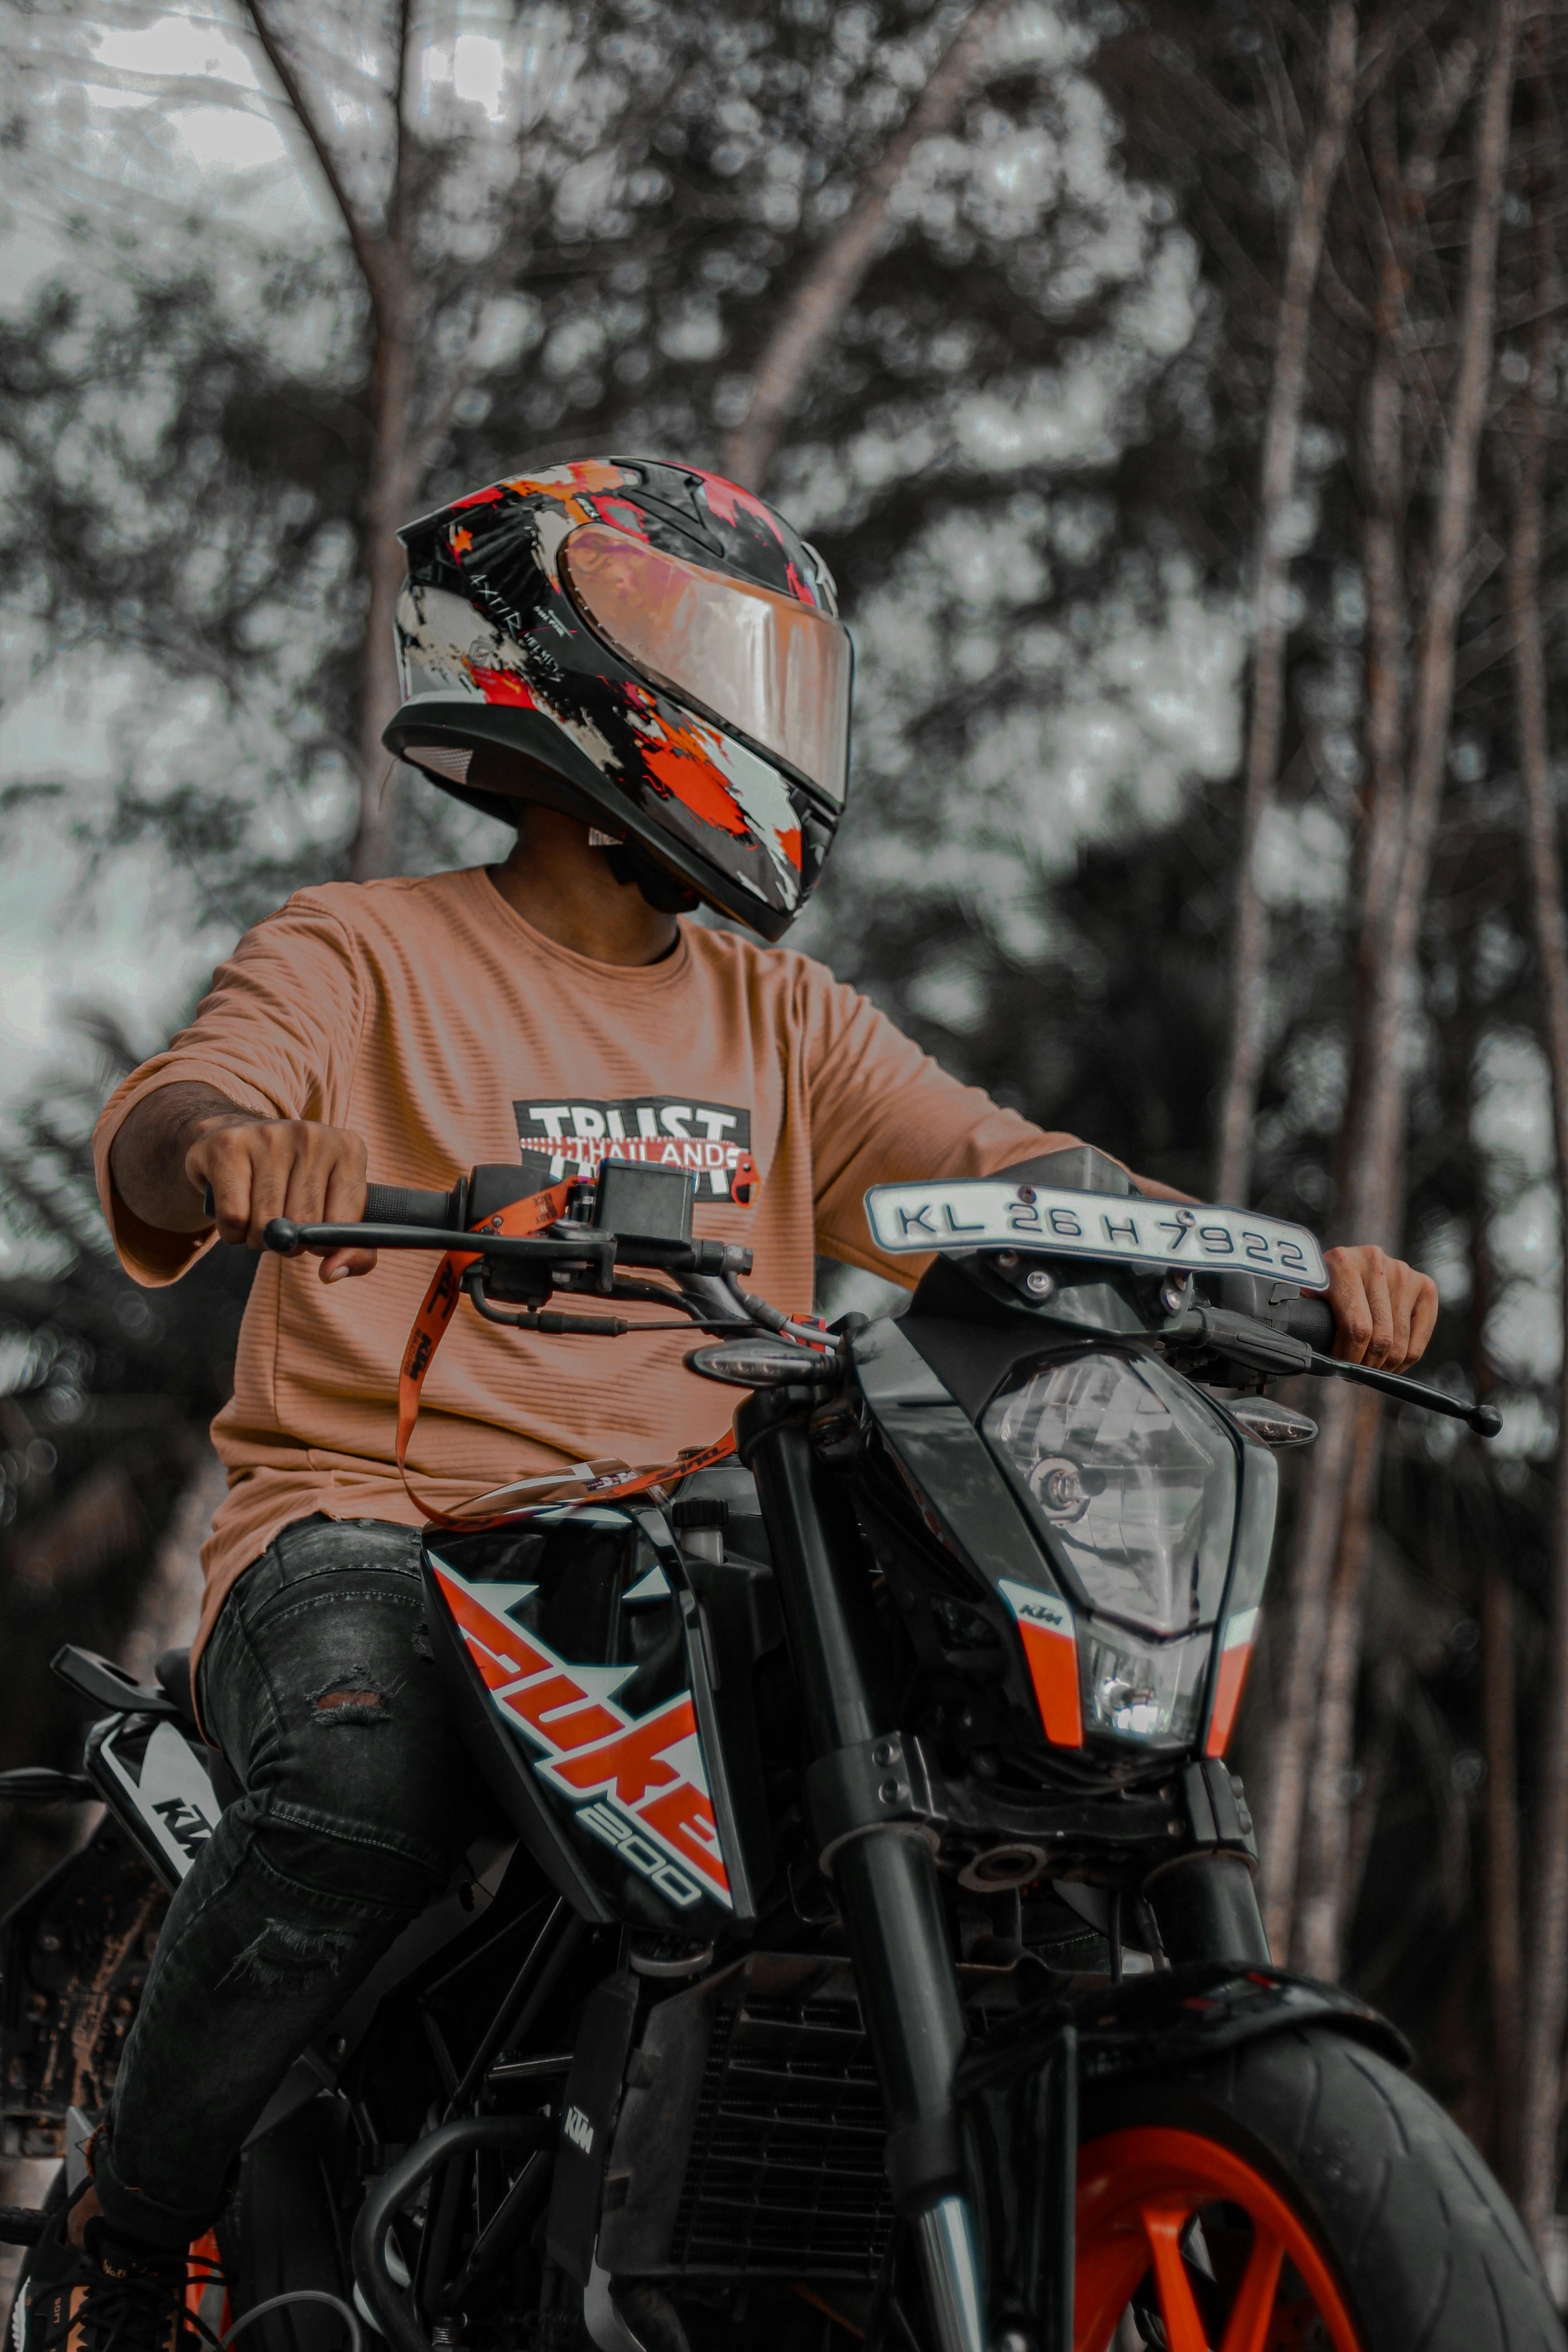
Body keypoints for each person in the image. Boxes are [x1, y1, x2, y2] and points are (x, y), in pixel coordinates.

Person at [25, 457, 1437, 2352]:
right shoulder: (361, 952)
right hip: (385, 1527)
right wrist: (239, 1155)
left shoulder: (785, 1023)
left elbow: (1015, 1173)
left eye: (770, 671)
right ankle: (132, 2232)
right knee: (360, 1766)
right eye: (710, 655)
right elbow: (168, 1120)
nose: (761, 717)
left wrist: (1275, 1262)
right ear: (561, 654)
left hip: (689, 1551)